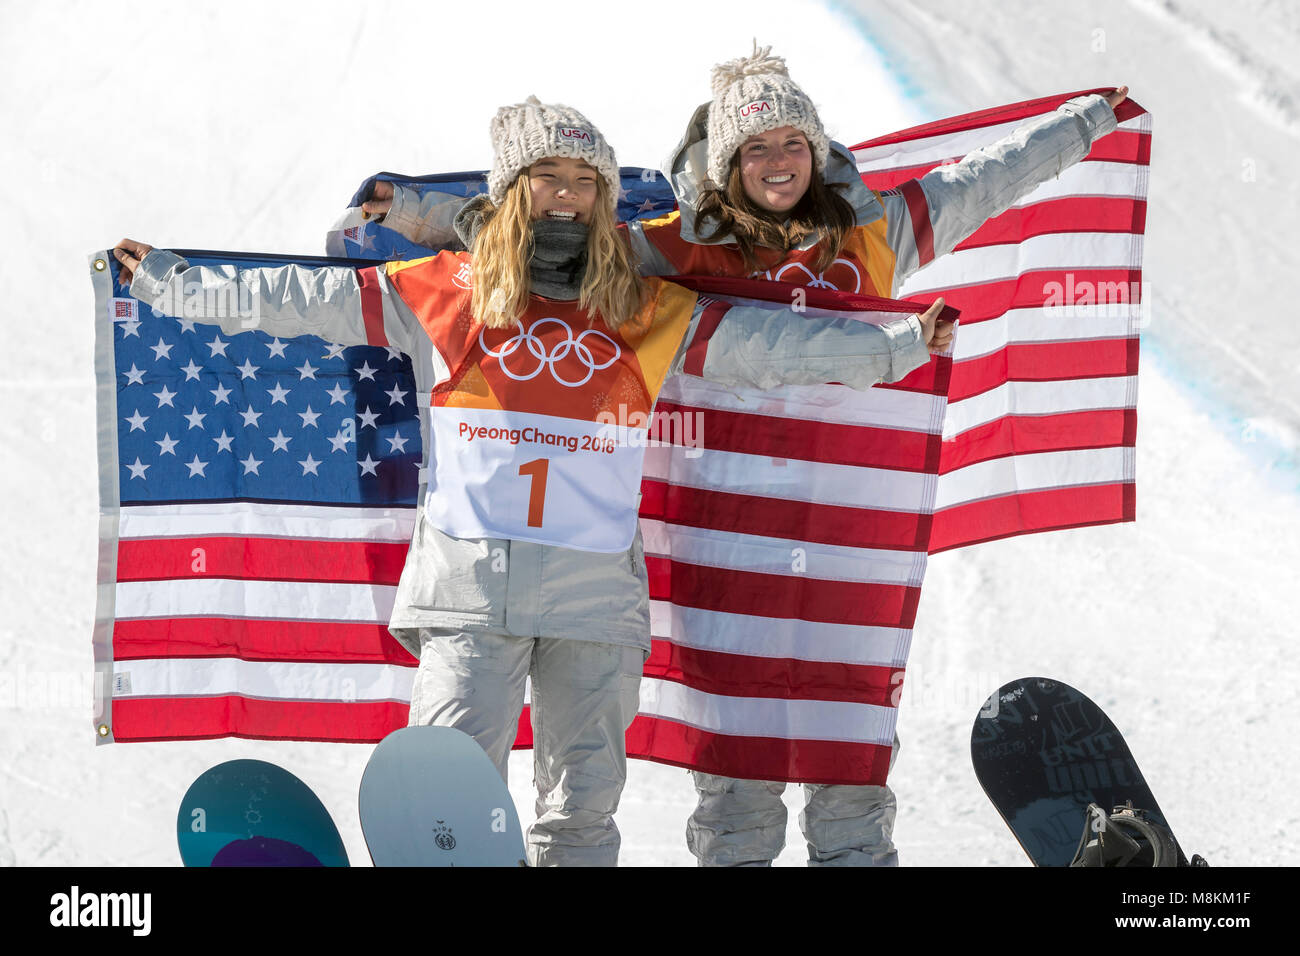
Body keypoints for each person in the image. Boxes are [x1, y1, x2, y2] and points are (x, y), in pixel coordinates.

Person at [112, 96, 952, 867]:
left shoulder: (644, 304)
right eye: (549, 175)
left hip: (592, 607)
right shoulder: (449, 289)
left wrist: (899, 344)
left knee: (579, 815)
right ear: (514, 186)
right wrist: (173, 284)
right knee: (443, 803)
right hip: (469, 600)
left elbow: (774, 351)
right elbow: (303, 298)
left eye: (587, 179)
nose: (569, 194)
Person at [365, 49, 1129, 867]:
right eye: (755, 148)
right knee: (734, 743)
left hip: (846, 526)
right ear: (727, 161)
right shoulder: (673, 250)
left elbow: (985, 179)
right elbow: (543, 229)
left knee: (849, 725)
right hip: (723, 521)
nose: (776, 162)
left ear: (817, 149)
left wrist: (1085, 121)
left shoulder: (877, 231)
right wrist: (415, 213)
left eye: (791, 143)